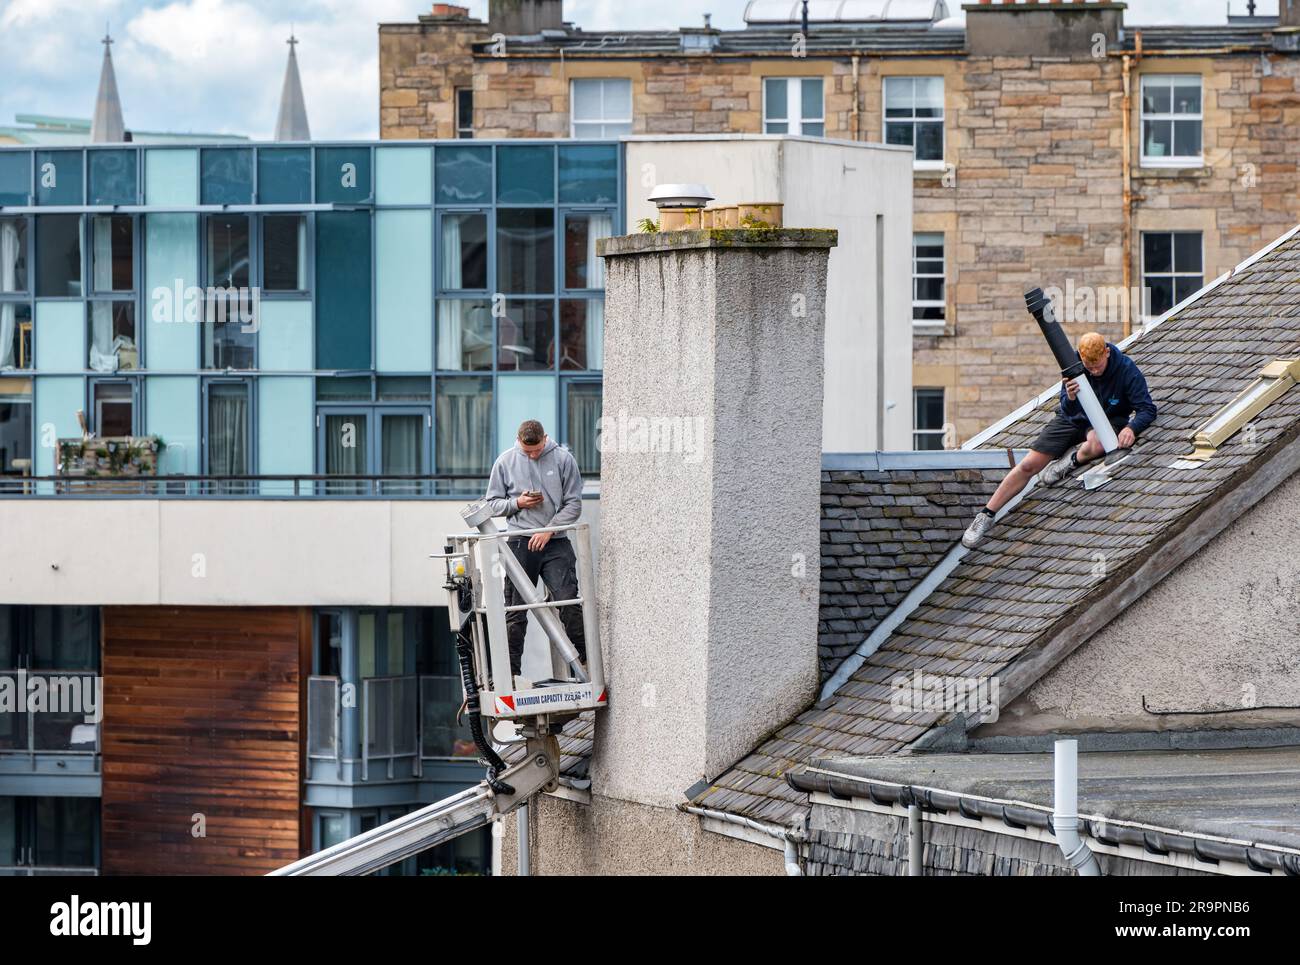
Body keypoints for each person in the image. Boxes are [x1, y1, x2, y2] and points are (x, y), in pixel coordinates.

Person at [962, 332, 1156, 549]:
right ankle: (986, 515)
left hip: (1107, 419)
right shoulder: (1072, 365)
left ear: (1107, 352)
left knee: (1099, 443)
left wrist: (1132, 427)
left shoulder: (1126, 370)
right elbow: (1066, 406)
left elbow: (1147, 409)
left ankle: (1071, 460)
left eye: (1097, 366)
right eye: (1088, 367)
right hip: (1072, 418)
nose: (1093, 371)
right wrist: (1071, 397)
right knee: (1028, 464)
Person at [482, 419, 586, 680]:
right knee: (515, 612)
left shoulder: (563, 459)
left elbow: (573, 504)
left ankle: (585, 660)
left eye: (538, 450)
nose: (534, 455)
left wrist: (549, 529)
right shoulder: (505, 461)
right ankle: (509, 675)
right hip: (520, 542)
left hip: (555, 541)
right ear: (518, 441)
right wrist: (517, 503)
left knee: (568, 601)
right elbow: (492, 504)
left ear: (545, 438)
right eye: (528, 452)